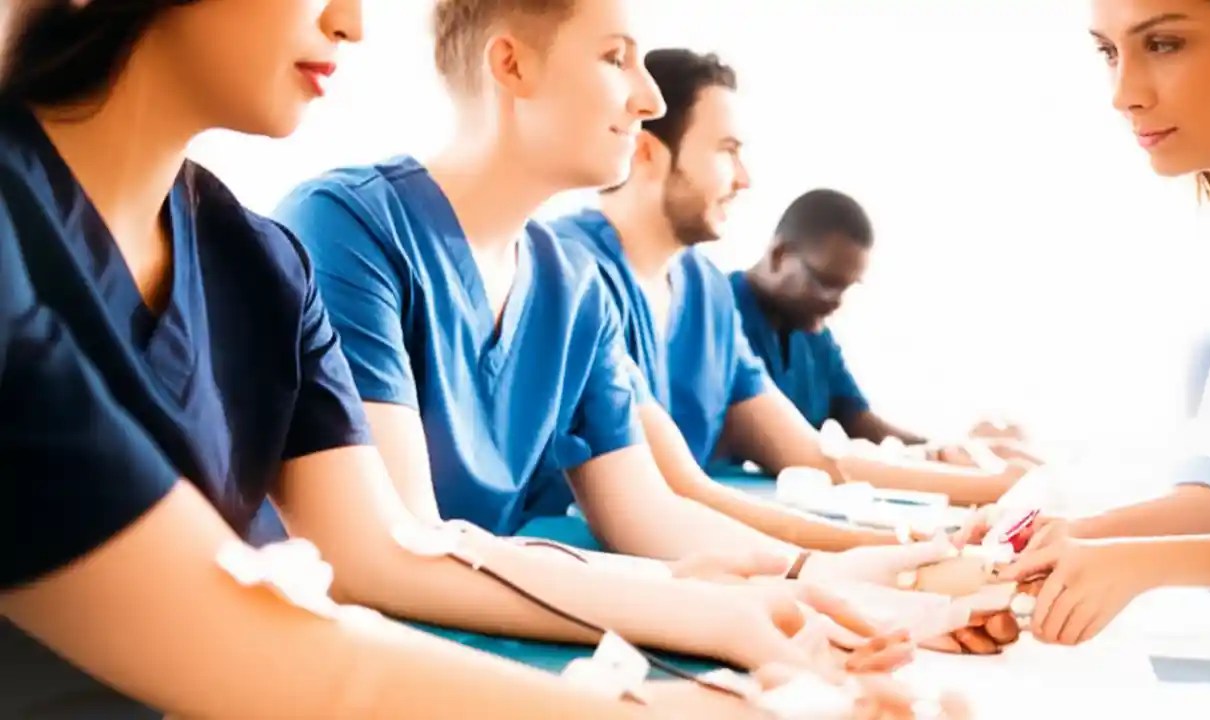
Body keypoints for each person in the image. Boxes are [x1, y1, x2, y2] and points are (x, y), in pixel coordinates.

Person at [0, 1, 925, 715]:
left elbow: (384, 550)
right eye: (614, 58)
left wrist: (732, 615)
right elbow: (263, 639)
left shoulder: (263, 266)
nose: (353, 23)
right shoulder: (337, 226)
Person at [276, 0, 1002, 660]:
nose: (649, 99)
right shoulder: (349, 230)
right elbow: (401, 546)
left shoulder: (574, 289)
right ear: (512, 65)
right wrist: (708, 607)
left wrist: (836, 574)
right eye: (615, 57)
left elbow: (647, 512)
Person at [970, 0, 1210, 647]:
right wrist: (1072, 538)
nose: (1123, 93)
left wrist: (1141, 564)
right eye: (1109, 52)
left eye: (1164, 44)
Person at [733, 189, 1035, 460]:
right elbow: (782, 443)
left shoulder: (814, 334)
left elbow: (860, 423)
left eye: (848, 288)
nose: (837, 302)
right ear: (780, 255)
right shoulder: (721, 313)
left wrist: (955, 449)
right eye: (827, 283)